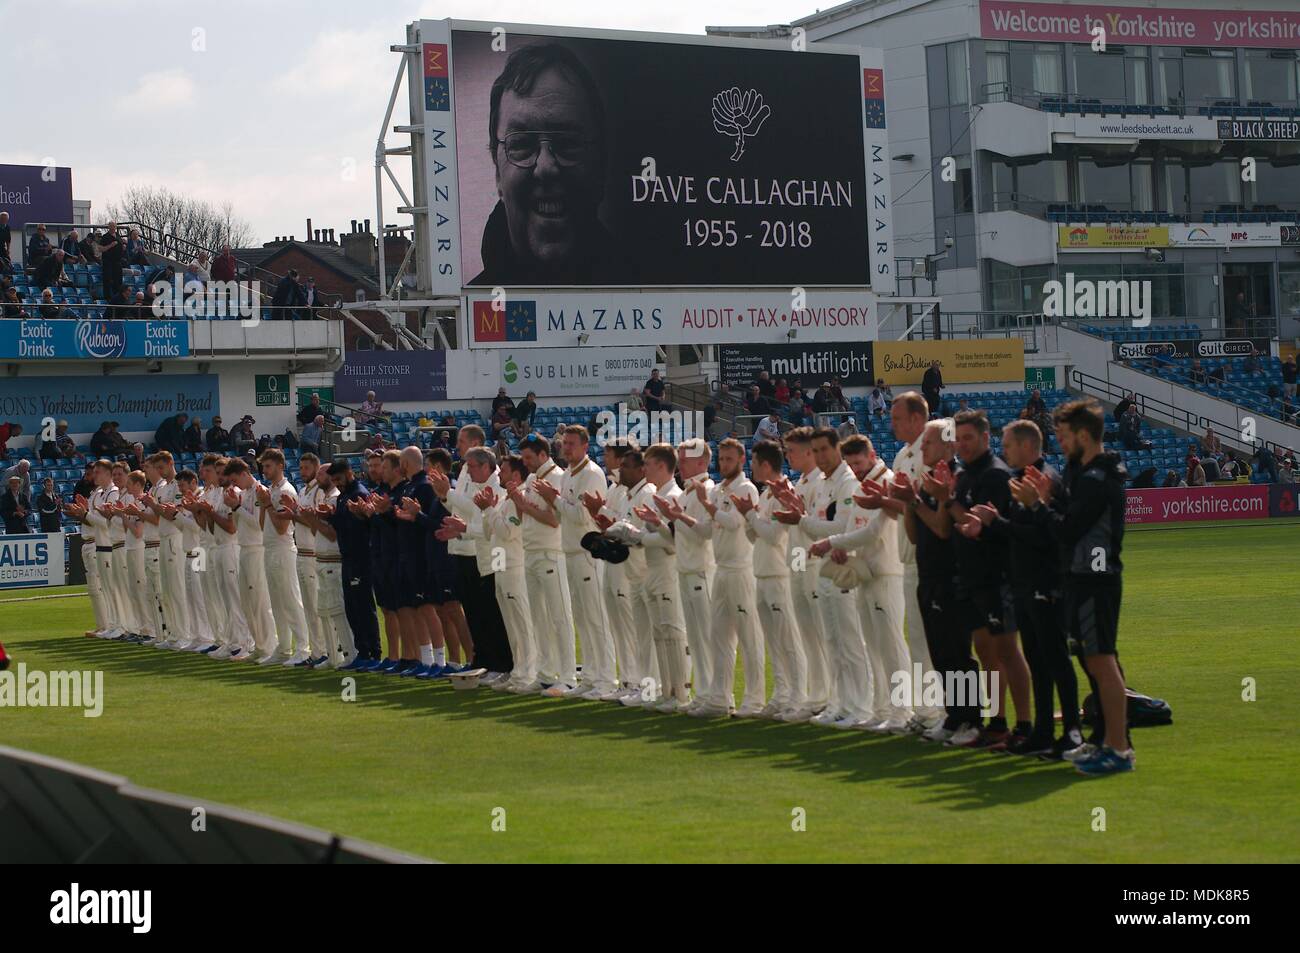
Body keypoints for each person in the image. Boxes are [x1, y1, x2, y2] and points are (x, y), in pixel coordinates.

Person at [1015, 399, 1133, 775]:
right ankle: (1105, 740)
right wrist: (1054, 496)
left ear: (1084, 435)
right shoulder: (1081, 472)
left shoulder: (1098, 477)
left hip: (1096, 579)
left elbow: (1067, 530)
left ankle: (1119, 747)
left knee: (1101, 660)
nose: (1059, 443)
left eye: (1064, 436)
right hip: (1081, 577)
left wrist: (1038, 504)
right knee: (1092, 661)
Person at [959, 420, 1083, 760]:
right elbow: (1017, 533)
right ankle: (1042, 731)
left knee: (1056, 660)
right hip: (1023, 585)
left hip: (1047, 584)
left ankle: (1071, 730)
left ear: (1029, 446)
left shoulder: (1047, 481)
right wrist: (986, 526)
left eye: (1010, 445)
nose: (1004, 451)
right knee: (1038, 662)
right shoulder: (1019, 481)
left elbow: (1047, 536)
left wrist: (995, 523)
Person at [470, 42, 631, 285]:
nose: (546, 167)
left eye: (567, 143)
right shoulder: (468, 307)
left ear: (601, 163)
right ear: (497, 172)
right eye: (522, 143)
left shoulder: (651, 282)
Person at [771, 427, 864, 728]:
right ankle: (832, 701)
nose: (789, 455)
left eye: (794, 450)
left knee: (840, 639)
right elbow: (808, 527)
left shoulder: (840, 482)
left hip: (822, 563)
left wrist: (800, 516)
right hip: (809, 561)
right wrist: (800, 517)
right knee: (823, 639)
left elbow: (834, 527)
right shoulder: (814, 482)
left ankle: (849, 704)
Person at [532, 425, 614, 697]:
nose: (566, 448)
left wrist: (552, 498)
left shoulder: (591, 474)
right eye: (564, 443)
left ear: (584, 446)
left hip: (588, 553)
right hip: (570, 551)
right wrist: (555, 500)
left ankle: (605, 679)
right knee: (582, 618)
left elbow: (581, 516)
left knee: (596, 618)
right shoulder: (567, 473)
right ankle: (589, 678)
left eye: (571, 444)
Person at [734, 440, 807, 719]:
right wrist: (749, 518)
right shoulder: (766, 494)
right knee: (775, 642)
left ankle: (797, 698)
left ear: (765, 464)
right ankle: (781, 694)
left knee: (789, 640)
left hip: (779, 574)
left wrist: (750, 516)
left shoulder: (783, 492)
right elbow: (756, 535)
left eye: (753, 463)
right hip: (762, 571)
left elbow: (775, 535)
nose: (751, 468)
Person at [98, 223, 124, 303]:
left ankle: (118, 297)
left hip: (117, 261)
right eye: (111, 226)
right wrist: (110, 245)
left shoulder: (118, 236)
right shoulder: (105, 237)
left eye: (114, 226)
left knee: (118, 280)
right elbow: (101, 249)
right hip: (108, 262)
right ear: (109, 227)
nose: (113, 228)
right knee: (108, 280)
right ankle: (108, 298)